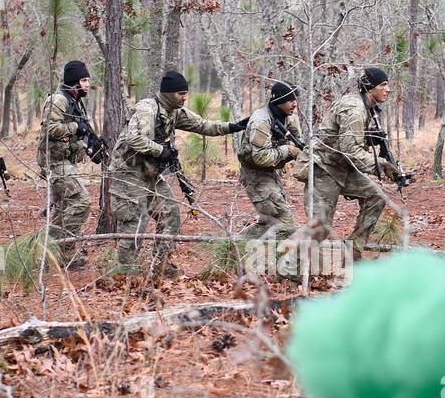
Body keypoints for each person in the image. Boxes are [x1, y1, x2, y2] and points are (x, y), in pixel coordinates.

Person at [109, 70, 247, 279]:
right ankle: (126, 271)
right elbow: (133, 139)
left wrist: (234, 127)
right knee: (134, 221)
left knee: (170, 214)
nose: (185, 97)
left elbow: (202, 125)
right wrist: (161, 151)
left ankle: (160, 265)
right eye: (181, 93)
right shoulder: (147, 109)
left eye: (186, 93)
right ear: (168, 93)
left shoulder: (175, 111)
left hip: (150, 173)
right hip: (128, 172)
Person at [295, 66, 408, 259]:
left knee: (376, 197)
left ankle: (352, 252)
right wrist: (382, 166)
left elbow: (346, 142)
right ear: (369, 87)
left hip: (342, 167)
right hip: (324, 168)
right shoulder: (355, 109)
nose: (388, 89)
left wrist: (371, 139)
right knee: (321, 226)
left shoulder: (366, 107)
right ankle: (290, 267)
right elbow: (350, 151)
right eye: (383, 85)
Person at [38, 60, 103, 265]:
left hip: (65, 160)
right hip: (55, 161)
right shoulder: (58, 100)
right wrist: (76, 127)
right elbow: (49, 129)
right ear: (74, 82)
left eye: (87, 80)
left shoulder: (75, 100)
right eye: (83, 80)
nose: (87, 84)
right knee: (81, 202)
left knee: (65, 205)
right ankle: (56, 248)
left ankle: (56, 254)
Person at [237, 80, 303, 241]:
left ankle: (234, 246)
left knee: (269, 222)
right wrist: (288, 150)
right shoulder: (261, 121)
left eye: (296, 99)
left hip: (273, 173)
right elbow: (260, 157)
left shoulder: (289, 117)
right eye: (290, 100)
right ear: (279, 101)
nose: (294, 104)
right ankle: (237, 247)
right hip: (255, 174)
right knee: (283, 222)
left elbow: (299, 143)